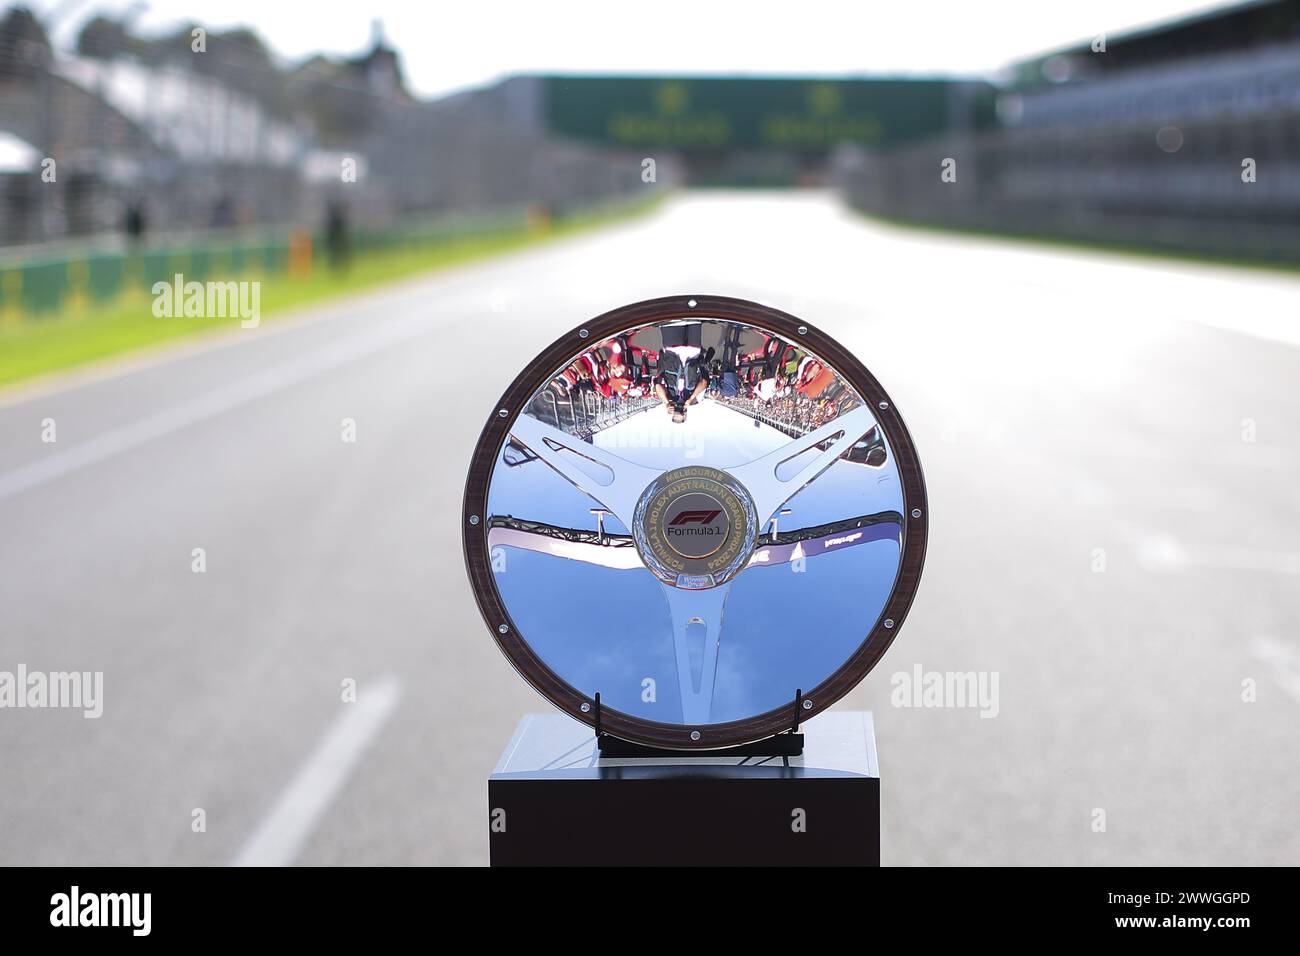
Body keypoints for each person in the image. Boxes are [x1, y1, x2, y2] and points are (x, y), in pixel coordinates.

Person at [653, 322, 712, 423]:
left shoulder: (669, 398)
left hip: (672, 352)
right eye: (683, 412)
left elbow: (658, 386)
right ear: (686, 413)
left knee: (672, 318)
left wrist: (666, 403)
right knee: (694, 318)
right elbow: (704, 382)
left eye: (677, 412)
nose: (680, 409)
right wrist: (690, 398)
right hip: (693, 353)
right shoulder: (696, 400)